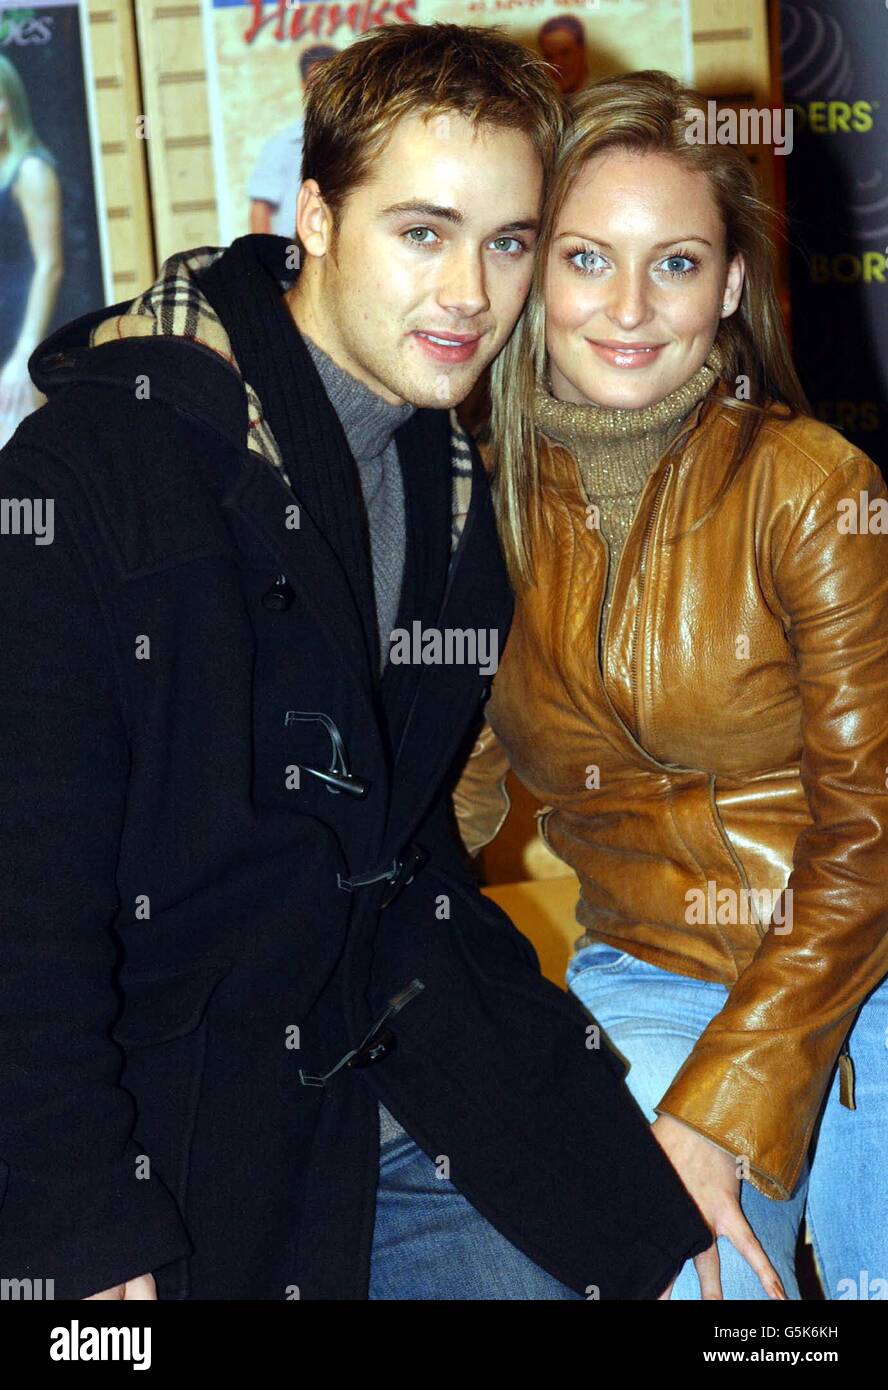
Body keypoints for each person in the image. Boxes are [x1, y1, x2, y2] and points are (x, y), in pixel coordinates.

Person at [0, 27, 711, 1301]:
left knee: (705, 1282)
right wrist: (79, 1242)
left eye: (506, 243)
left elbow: (409, 854)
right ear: (317, 217)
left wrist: (620, 1131)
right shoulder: (88, 484)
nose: (469, 297)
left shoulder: (449, 486)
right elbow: (23, 914)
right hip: (171, 1164)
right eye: (423, 232)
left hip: (408, 1105)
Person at [453, 68, 888, 1301]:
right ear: (533, 273)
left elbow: (874, 828)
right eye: (589, 260)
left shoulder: (813, 488)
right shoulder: (476, 509)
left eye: (678, 263)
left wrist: (725, 1104)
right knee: (693, 1282)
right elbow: (439, 803)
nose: (630, 308)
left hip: (870, 956)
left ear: (733, 285)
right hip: (653, 972)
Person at [0, 54, 63, 445]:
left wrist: (24, 355)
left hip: (16, 342)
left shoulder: (31, 170)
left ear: (12, 103)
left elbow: (49, 265)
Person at [248, 43, 337, 237]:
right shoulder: (280, 145)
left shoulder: (361, 139)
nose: (322, 89)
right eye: (315, 82)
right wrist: (265, 261)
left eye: (330, 80)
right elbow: (260, 208)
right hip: (294, 254)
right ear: (303, 86)